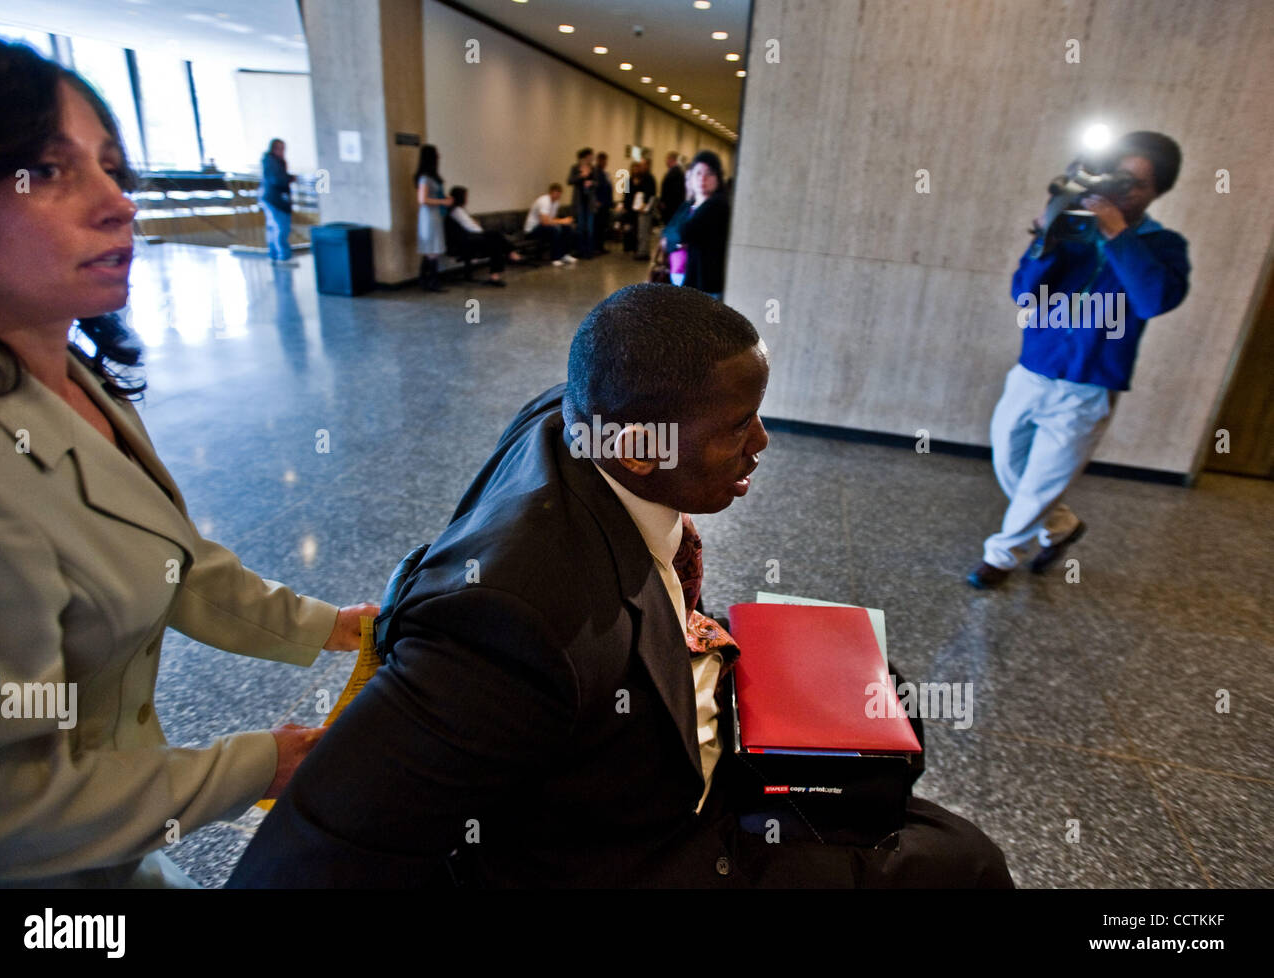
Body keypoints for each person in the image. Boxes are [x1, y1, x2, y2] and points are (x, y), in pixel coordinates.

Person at [229, 283, 1013, 888]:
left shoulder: (568, 417)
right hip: (635, 854)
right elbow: (328, 840)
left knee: (892, 715)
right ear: (637, 447)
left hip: (656, 732)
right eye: (737, 426)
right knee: (963, 861)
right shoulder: (512, 626)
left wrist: (686, 629)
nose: (762, 444)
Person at [0, 34, 377, 887]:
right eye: (49, 170)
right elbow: (1, 811)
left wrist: (327, 626)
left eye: (111, 166)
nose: (116, 201)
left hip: (117, 848)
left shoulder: (78, 376)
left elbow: (170, 560)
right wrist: (257, 765)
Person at [968, 132, 1190, 589]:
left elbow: (1151, 300)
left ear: (1156, 192)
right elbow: (1023, 293)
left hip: (1089, 385)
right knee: (1010, 464)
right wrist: (1046, 234)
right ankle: (1062, 526)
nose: (1120, 189)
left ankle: (1001, 556)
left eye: (1134, 183)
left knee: (1041, 481)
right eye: (1116, 176)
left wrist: (1117, 233)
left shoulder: (1164, 246)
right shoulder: (1073, 230)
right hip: (1032, 370)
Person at [661, 151, 732, 299]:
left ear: (718, 178)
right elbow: (666, 233)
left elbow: (684, 232)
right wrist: (676, 242)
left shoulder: (717, 204)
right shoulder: (689, 204)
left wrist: (674, 239)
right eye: (698, 173)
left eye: (709, 173)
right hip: (682, 277)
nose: (703, 178)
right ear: (691, 177)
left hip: (704, 283)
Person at [446, 186, 522, 287]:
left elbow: (472, 224)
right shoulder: (457, 211)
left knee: (495, 242)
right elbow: (472, 227)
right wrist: (483, 232)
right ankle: (510, 253)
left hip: (469, 238)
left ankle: (496, 274)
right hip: (465, 241)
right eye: (465, 196)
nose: (467, 199)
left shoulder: (459, 210)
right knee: (495, 235)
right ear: (460, 197)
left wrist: (480, 230)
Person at [415, 144, 452, 292]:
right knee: (432, 248)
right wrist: (443, 201)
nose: (439, 156)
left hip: (434, 214)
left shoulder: (431, 177)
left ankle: (424, 279)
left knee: (432, 248)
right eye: (436, 154)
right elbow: (422, 199)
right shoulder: (425, 178)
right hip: (429, 216)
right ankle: (432, 281)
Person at [260, 138, 296, 266]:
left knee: (273, 228)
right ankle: (283, 256)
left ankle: (274, 255)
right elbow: (277, 180)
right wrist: (290, 178)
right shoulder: (273, 162)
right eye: (280, 149)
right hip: (275, 200)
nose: (283, 152)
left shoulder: (271, 161)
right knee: (281, 228)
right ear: (274, 149)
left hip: (270, 198)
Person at [523, 183, 576, 266]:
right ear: (551, 192)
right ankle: (555, 257)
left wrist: (564, 222)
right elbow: (544, 221)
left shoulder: (556, 203)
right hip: (532, 229)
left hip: (543, 227)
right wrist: (562, 221)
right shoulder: (544, 201)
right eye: (556, 193)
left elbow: (552, 220)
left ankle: (565, 254)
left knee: (567, 228)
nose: (558, 195)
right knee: (555, 230)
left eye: (559, 193)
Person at [566, 147, 596, 259]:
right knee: (580, 227)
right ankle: (580, 250)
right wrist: (581, 176)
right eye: (590, 156)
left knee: (589, 227)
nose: (591, 158)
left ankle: (589, 251)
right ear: (584, 157)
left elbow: (597, 183)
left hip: (589, 202)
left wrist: (591, 183)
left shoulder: (593, 169)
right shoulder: (575, 168)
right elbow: (569, 181)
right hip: (579, 202)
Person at [629, 156, 658, 260]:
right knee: (641, 230)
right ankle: (642, 250)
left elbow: (649, 193)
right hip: (640, 206)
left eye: (642, 165)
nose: (640, 167)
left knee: (644, 231)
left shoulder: (649, 178)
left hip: (645, 207)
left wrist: (644, 204)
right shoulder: (642, 178)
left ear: (647, 165)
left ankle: (643, 252)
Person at [592, 150, 614, 254]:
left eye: (606, 161)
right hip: (599, 204)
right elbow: (595, 189)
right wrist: (596, 201)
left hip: (606, 204)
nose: (605, 163)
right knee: (597, 226)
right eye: (603, 161)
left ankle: (600, 246)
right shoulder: (595, 173)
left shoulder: (606, 174)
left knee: (603, 226)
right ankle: (596, 247)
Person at [658, 150, 686, 225]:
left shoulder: (676, 172)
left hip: (671, 208)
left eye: (667, 159)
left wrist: (664, 202)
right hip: (671, 207)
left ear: (671, 159)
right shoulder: (673, 172)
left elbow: (674, 192)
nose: (666, 161)